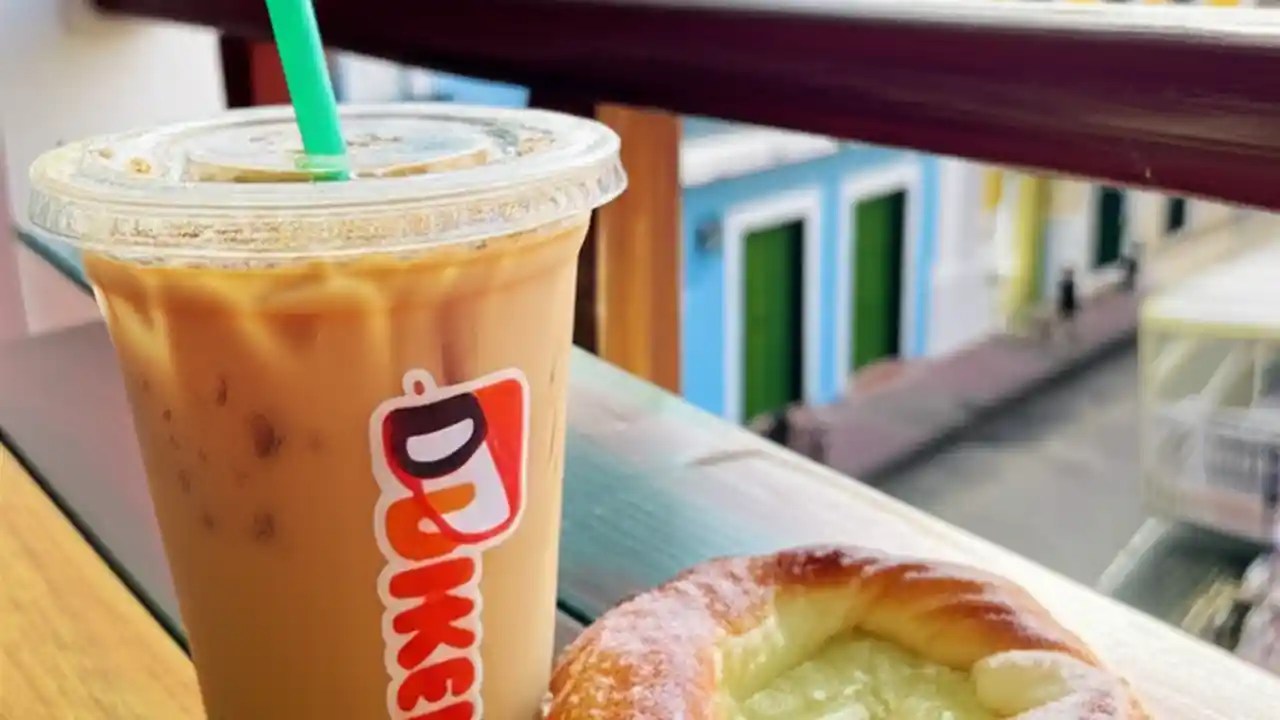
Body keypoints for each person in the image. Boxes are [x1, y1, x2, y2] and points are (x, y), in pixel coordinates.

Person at [1056, 266, 1078, 343]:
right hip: (1066, 304)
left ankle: (1068, 335)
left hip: (1068, 304)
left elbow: (1071, 296)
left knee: (1068, 321)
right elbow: (1063, 296)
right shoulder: (1067, 284)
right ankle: (1067, 335)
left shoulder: (1067, 284)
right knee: (1066, 321)